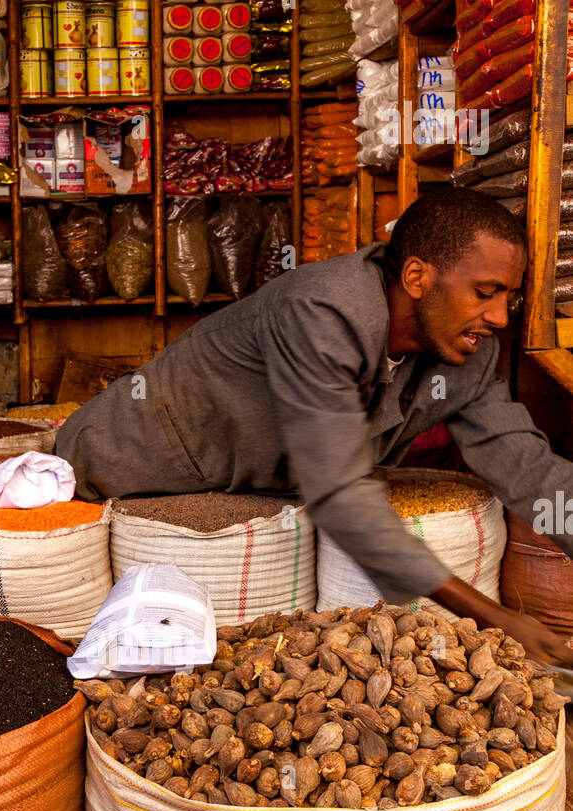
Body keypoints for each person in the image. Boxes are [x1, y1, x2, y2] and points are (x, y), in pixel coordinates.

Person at [56, 187, 573, 665]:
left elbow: (528, 467)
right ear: (417, 278)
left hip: (250, 486)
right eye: (485, 292)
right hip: (127, 464)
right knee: (130, 639)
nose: (502, 316)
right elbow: (341, 493)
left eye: (509, 296)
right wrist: (496, 618)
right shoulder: (323, 310)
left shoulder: (466, 354)